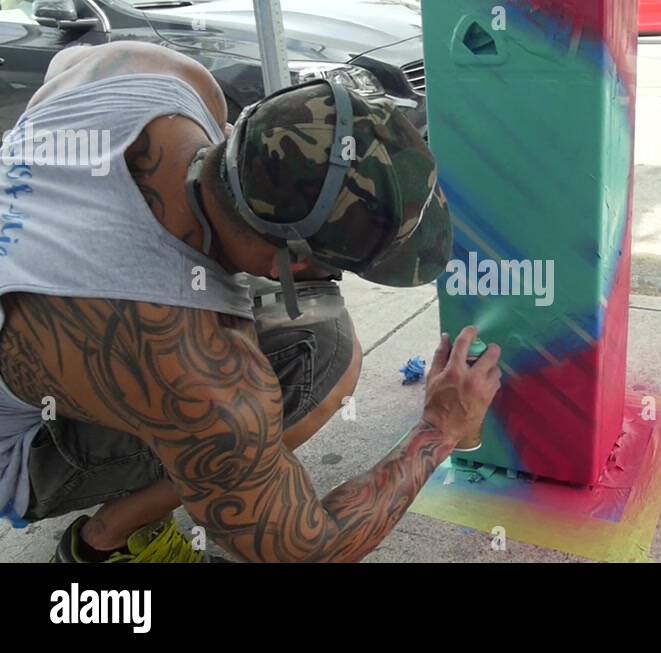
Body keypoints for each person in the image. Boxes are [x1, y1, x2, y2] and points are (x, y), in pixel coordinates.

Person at [0, 41, 501, 562]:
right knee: (325, 357)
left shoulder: (160, 77)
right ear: (299, 266)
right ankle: (106, 542)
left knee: (306, 343)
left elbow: (63, 62)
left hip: (50, 313)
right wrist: (440, 428)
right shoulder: (199, 373)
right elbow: (309, 549)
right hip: (23, 454)